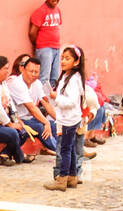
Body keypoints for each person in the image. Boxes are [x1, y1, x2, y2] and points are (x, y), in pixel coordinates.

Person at [43, 45, 84, 191]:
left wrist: (57, 97)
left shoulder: (73, 80)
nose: (63, 61)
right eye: (62, 58)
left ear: (76, 61)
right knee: (70, 148)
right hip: (67, 118)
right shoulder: (68, 76)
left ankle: (62, 179)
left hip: (68, 120)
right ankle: (72, 176)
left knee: (65, 150)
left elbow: (71, 101)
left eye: (67, 58)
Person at [6, 55, 58, 153]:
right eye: (31, 71)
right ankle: (62, 152)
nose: (33, 74)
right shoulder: (17, 83)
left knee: (53, 124)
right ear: (23, 70)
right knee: (41, 127)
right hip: (18, 119)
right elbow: (32, 108)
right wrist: (45, 122)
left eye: (36, 72)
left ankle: (63, 150)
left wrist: (60, 120)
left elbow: (46, 103)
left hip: (31, 119)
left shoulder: (37, 83)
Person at [27, 0, 62, 92]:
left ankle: (50, 100)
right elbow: (32, 33)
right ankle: (42, 101)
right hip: (45, 48)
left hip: (56, 47)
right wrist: (39, 45)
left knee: (55, 77)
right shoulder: (40, 11)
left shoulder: (57, 10)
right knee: (44, 77)